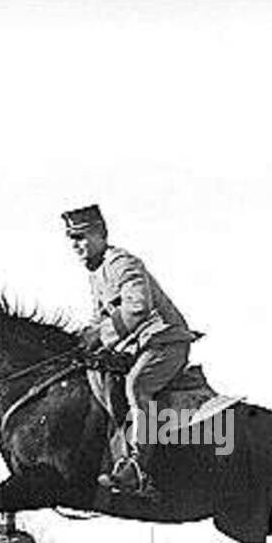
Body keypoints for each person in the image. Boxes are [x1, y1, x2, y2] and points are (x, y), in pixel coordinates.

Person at [63, 204, 198, 497]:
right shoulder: (97, 271)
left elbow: (138, 308)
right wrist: (83, 340)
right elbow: (101, 316)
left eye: (82, 237)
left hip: (165, 343)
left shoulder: (122, 263)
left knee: (138, 386)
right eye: (72, 239)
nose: (76, 245)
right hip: (138, 345)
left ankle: (138, 466)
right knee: (99, 379)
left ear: (101, 234)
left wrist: (101, 335)